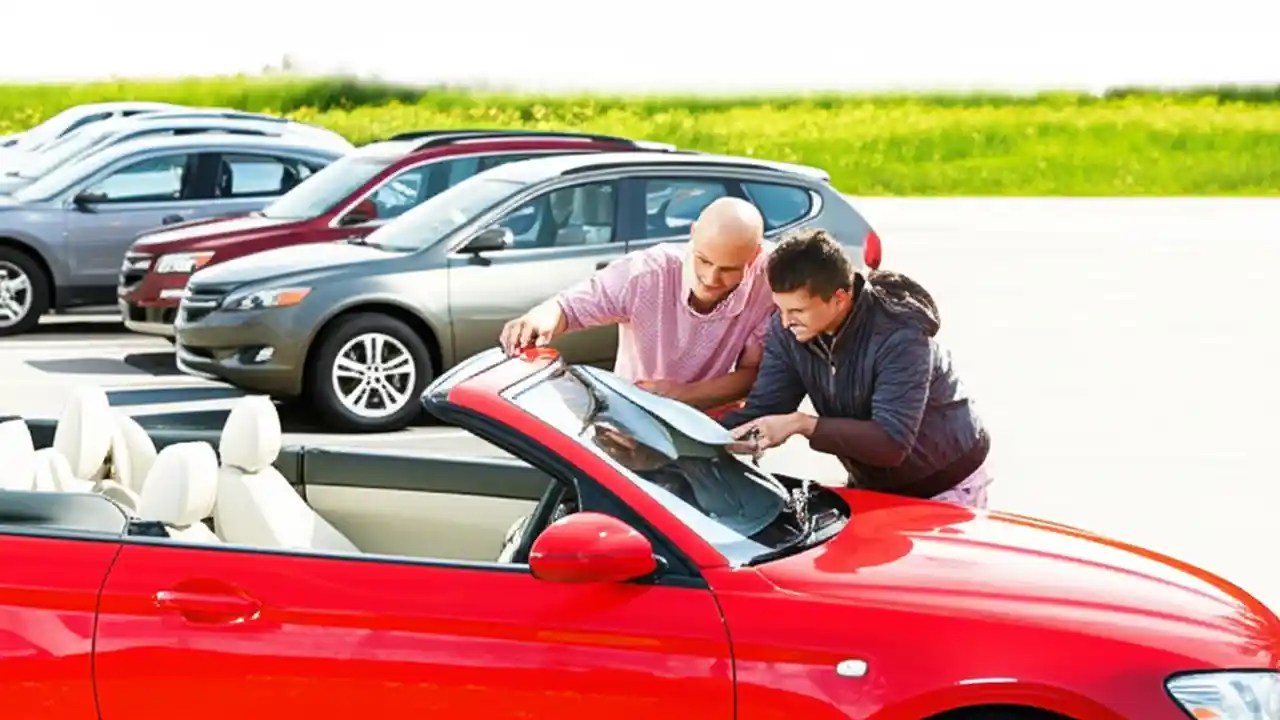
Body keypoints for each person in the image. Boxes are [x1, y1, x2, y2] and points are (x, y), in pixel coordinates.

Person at [721, 227, 993, 508]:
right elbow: (764, 410)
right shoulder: (787, 330)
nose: (785, 321)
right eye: (780, 308)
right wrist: (691, 438)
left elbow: (891, 443)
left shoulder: (900, 335)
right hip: (874, 486)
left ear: (840, 298)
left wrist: (803, 424)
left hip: (945, 485)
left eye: (797, 311)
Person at [498, 196, 777, 416]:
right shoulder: (645, 274)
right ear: (693, 234)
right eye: (703, 260)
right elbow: (567, 308)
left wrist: (681, 395)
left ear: (754, 256)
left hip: (713, 425)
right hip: (634, 419)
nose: (711, 278)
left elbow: (752, 373)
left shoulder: (767, 282)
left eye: (729, 269)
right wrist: (536, 319)